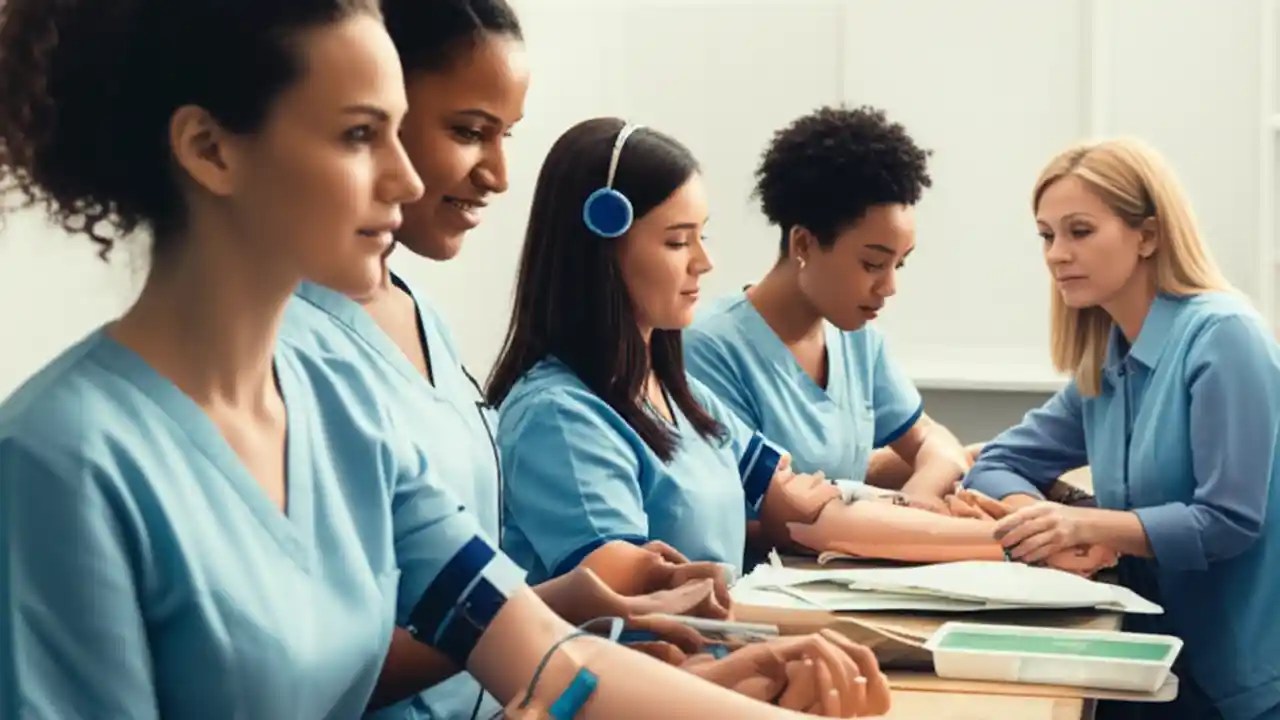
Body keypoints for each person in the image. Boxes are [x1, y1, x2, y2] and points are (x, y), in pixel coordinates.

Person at [0, 1, 891, 717]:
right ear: (210, 148)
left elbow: (543, 658)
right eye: (358, 136)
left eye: (399, 131)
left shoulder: (338, 402)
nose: (405, 176)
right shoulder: (62, 463)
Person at [281, 2, 816, 716]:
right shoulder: (287, 366)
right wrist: (555, 609)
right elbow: (321, 673)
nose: (500, 175)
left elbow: (499, 623)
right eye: (470, 132)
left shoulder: (419, 319)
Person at [965, 138, 1280, 720]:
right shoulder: (1105, 360)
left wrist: (1083, 521)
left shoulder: (1224, 338)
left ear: (1149, 235)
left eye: (1080, 231)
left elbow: (1231, 520)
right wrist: (1046, 527)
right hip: (1141, 662)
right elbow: (995, 462)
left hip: (1239, 683)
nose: (1058, 254)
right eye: (1046, 235)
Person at [683, 106, 973, 512]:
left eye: (899, 264)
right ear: (803, 244)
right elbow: (745, 515)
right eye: (872, 264)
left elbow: (937, 444)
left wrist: (918, 497)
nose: (889, 287)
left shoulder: (859, 342)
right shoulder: (708, 350)